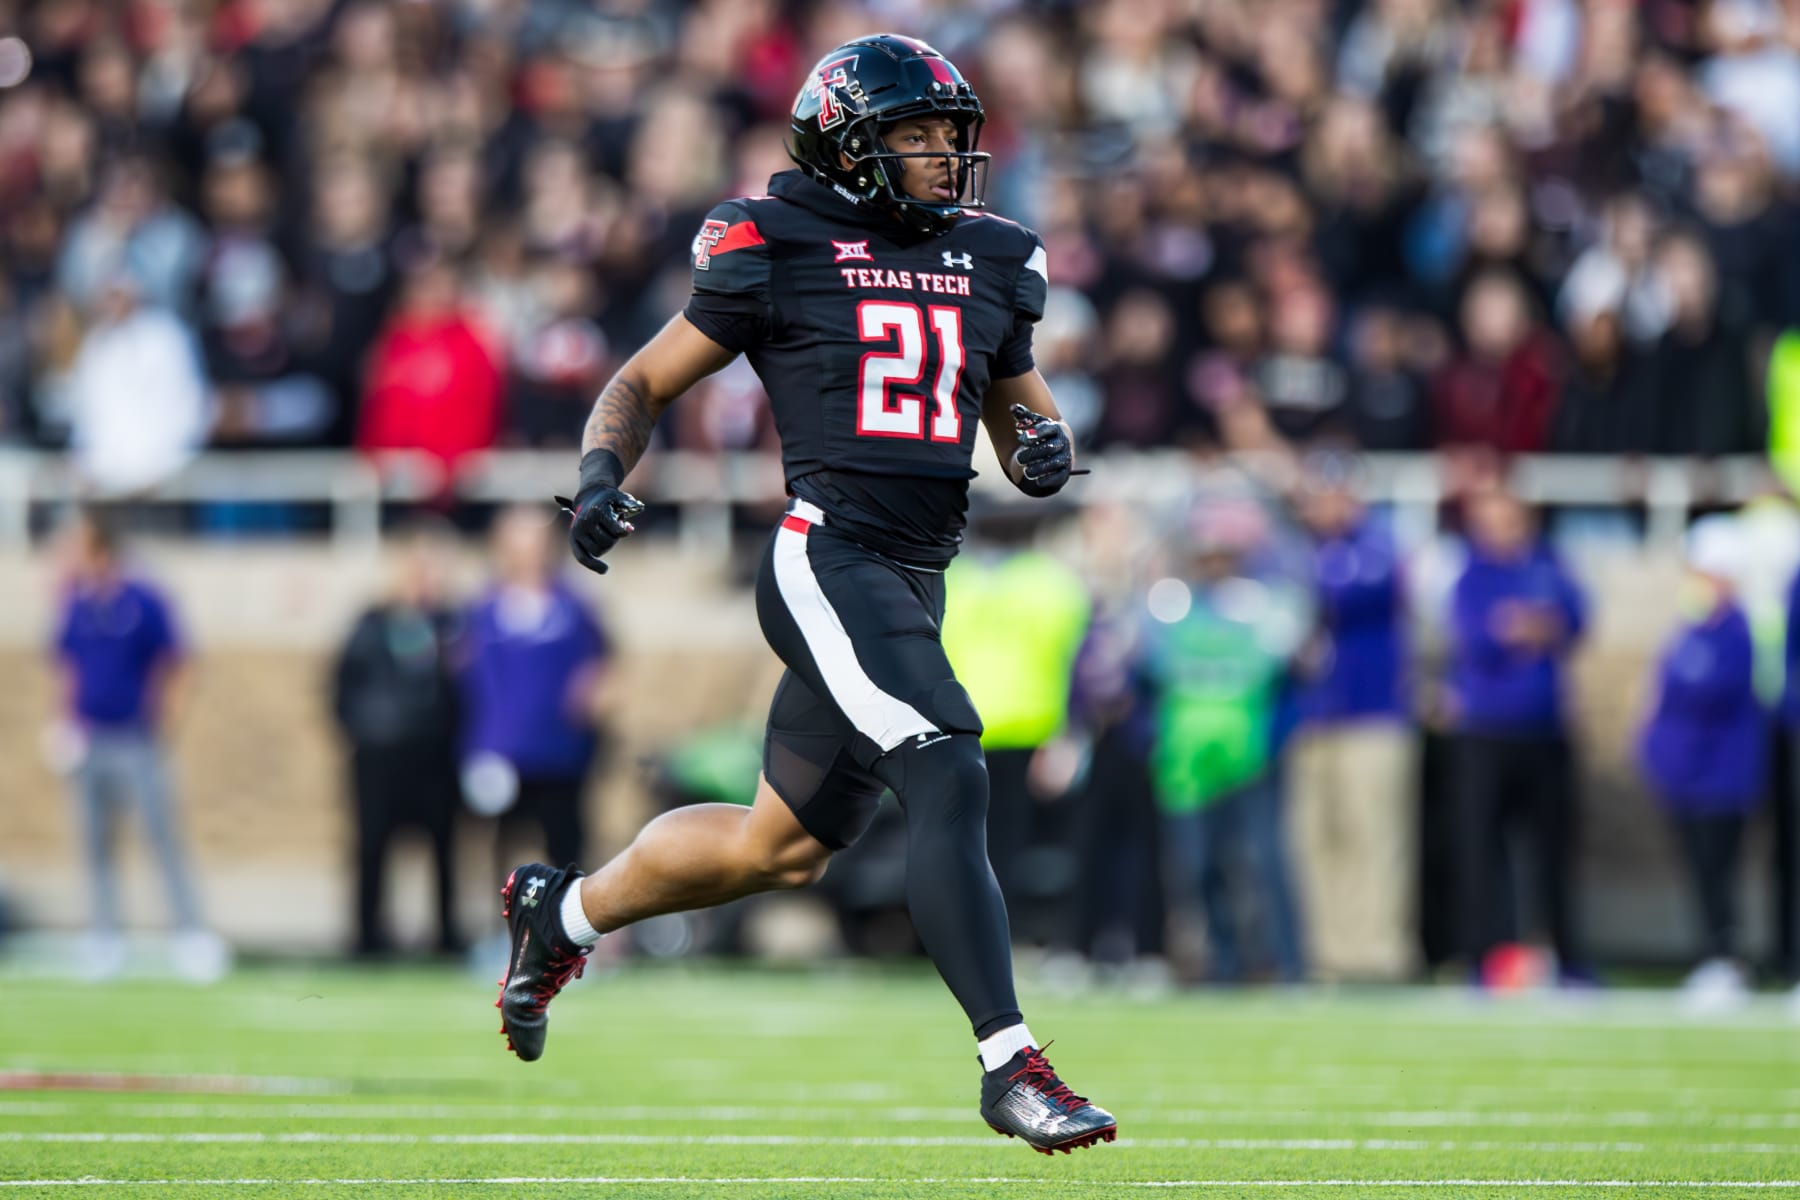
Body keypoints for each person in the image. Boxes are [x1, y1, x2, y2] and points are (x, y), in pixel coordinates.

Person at [493, 36, 1115, 1154]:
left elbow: (1025, 420)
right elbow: (641, 379)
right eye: (914, 135)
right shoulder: (775, 242)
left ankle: (564, 911)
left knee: (776, 851)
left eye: (948, 135)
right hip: (829, 556)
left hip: (914, 578)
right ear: (849, 144)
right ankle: (1008, 1063)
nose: (942, 155)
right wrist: (597, 478)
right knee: (946, 761)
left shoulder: (992, 257)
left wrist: (1043, 449)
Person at [50, 507, 227, 982]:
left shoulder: (143, 599)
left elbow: (179, 660)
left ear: (101, 547)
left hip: (136, 736)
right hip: (89, 736)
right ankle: (105, 935)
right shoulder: (74, 602)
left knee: (161, 834)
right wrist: (64, 724)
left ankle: (191, 933)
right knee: (94, 841)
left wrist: (167, 719)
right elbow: (68, 668)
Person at [1446, 485, 1588, 984]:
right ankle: (1487, 957)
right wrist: (1531, 627)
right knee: (1483, 849)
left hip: (1545, 728)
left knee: (1553, 849)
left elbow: (1575, 619)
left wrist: (1530, 626)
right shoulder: (1472, 575)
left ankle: (1566, 959)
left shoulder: (1548, 566)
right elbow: (1479, 635)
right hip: (1486, 730)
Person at [1287, 454, 1417, 982]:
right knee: (1317, 839)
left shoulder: (1378, 545)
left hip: (1372, 716)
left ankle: (1379, 952)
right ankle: (1329, 953)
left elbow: (1339, 592)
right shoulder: (1299, 550)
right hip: (1313, 717)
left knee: (1375, 837)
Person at [1638, 517, 1765, 1012]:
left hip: (1720, 775)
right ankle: (1713, 958)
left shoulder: (1735, 631)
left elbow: (1702, 691)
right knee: (1698, 870)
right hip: (1687, 777)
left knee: (1719, 870)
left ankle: (1726, 960)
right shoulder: (1688, 629)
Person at [330, 518, 465, 958]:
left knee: (444, 848)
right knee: (372, 847)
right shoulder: (371, 623)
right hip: (379, 753)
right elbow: (343, 685)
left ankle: (446, 936)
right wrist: (363, 731)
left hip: (434, 751)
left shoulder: (453, 624)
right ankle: (368, 937)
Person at [459, 504, 611, 876]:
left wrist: (596, 689)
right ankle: (505, 927)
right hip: (500, 752)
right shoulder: (483, 609)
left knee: (566, 848)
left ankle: (566, 926)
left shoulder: (573, 607)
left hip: (561, 750)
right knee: (501, 848)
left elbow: (603, 660)